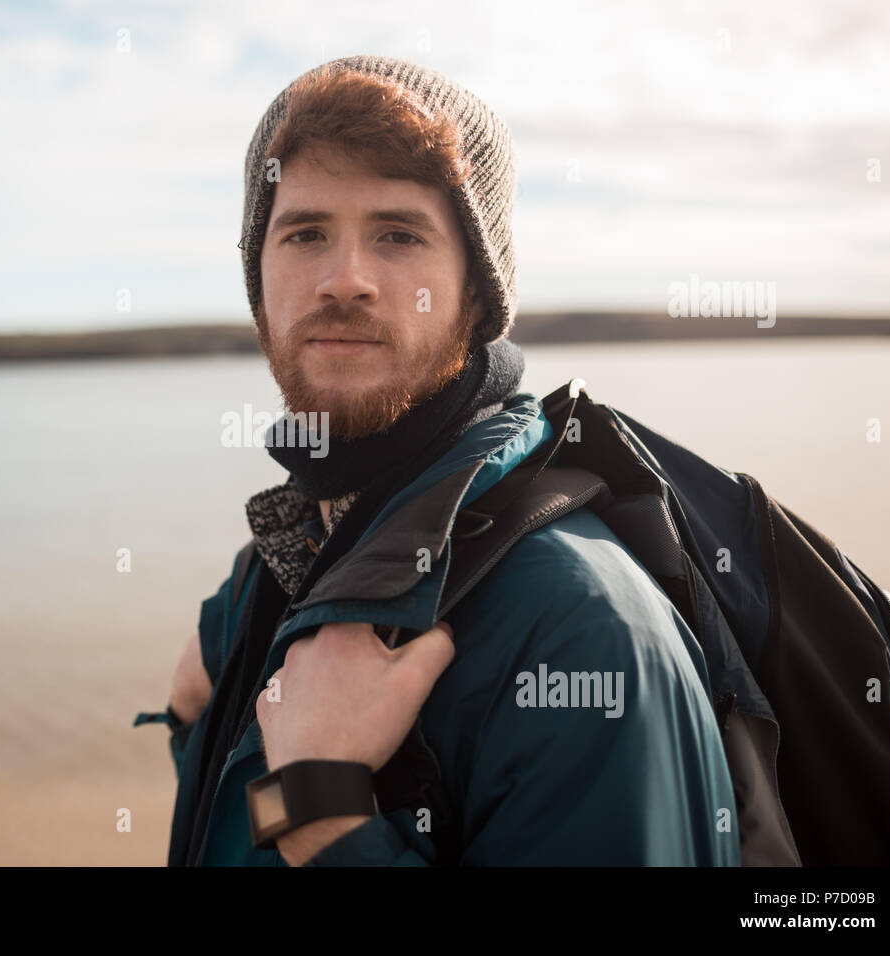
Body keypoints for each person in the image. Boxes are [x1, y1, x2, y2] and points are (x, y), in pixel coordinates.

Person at [149, 54, 740, 867]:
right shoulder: (275, 571)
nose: (344, 280)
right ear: (260, 276)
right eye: (306, 233)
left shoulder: (583, 632)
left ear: (477, 293)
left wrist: (324, 816)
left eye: (398, 234)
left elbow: (295, 818)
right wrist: (196, 728)